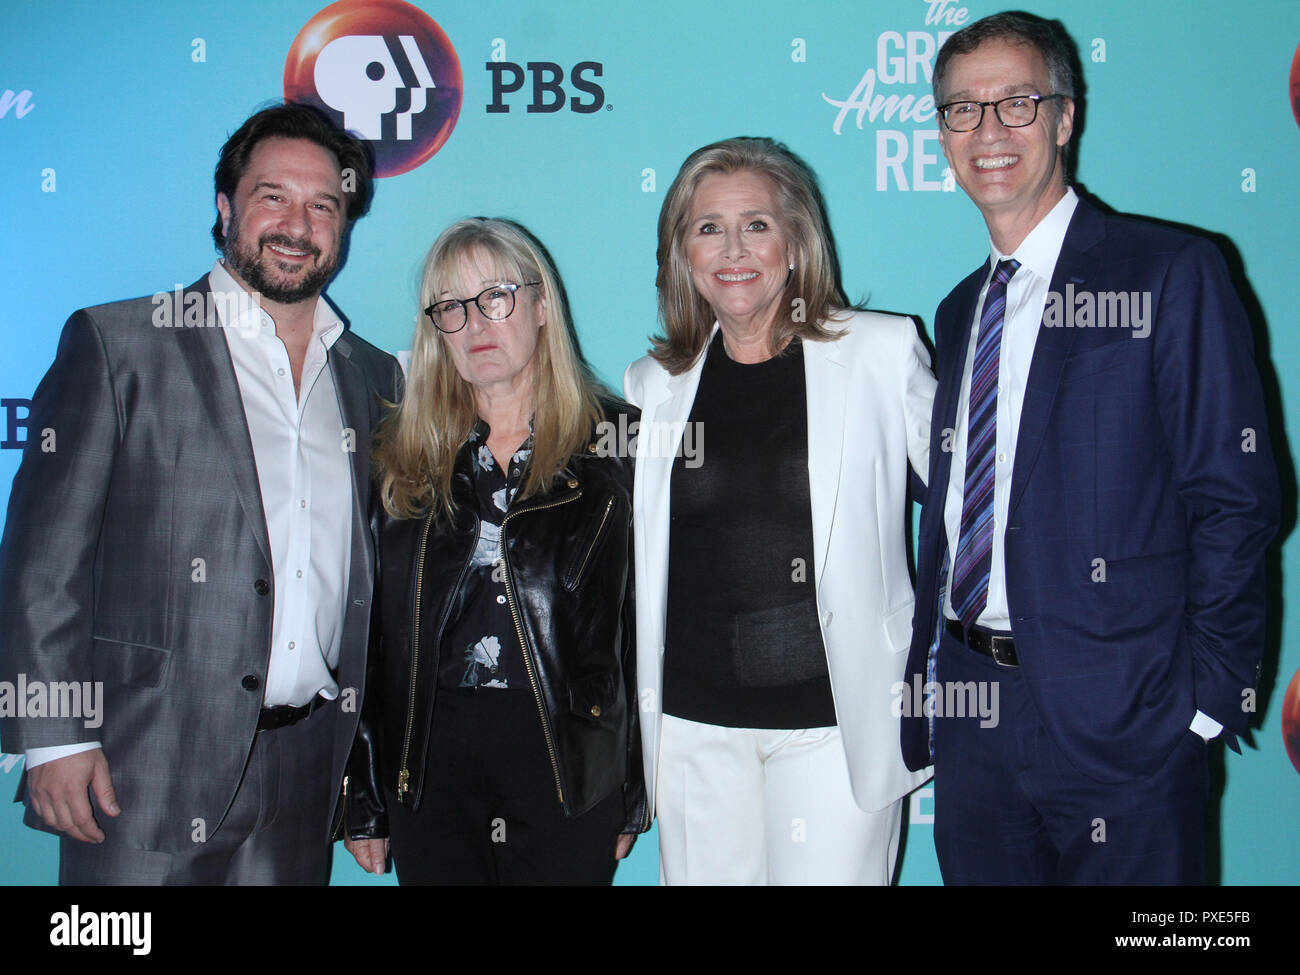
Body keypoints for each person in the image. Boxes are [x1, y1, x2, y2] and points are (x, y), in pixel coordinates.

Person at [901, 11, 1280, 884]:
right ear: (942, 133)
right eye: (963, 109)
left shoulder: (1169, 271)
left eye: (1017, 103)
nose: (988, 131)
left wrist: (1205, 698)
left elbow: (1236, 494)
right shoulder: (962, 310)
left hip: (1129, 715)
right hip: (974, 710)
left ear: (1066, 117)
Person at [0, 103, 402, 884]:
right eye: (272, 196)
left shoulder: (373, 376)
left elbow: (364, 588)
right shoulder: (122, 345)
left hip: (303, 772)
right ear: (225, 208)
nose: (298, 223)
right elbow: (43, 561)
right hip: (135, 768)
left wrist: (361, 767)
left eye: (324, 204)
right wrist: (53, 737)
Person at [623, 137, 936, 884]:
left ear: (796, 243)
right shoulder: (650, 386)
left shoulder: (881, 354)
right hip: (692, 729)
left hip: (838, 723)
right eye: (708, 228)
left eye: (756, 224)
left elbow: (976, 506)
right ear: (682, 254)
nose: (733, 248)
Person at [342, 217, 646, 884]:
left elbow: (644, 627)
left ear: (542, 306)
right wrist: (362, 793)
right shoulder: (395, 452)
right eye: (452, 307)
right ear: (436, 329)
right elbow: (367, 634)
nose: (476, 322)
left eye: (496, 296)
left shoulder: (621, 443)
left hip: (567, 755)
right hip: (428, 756)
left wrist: (633, 780)